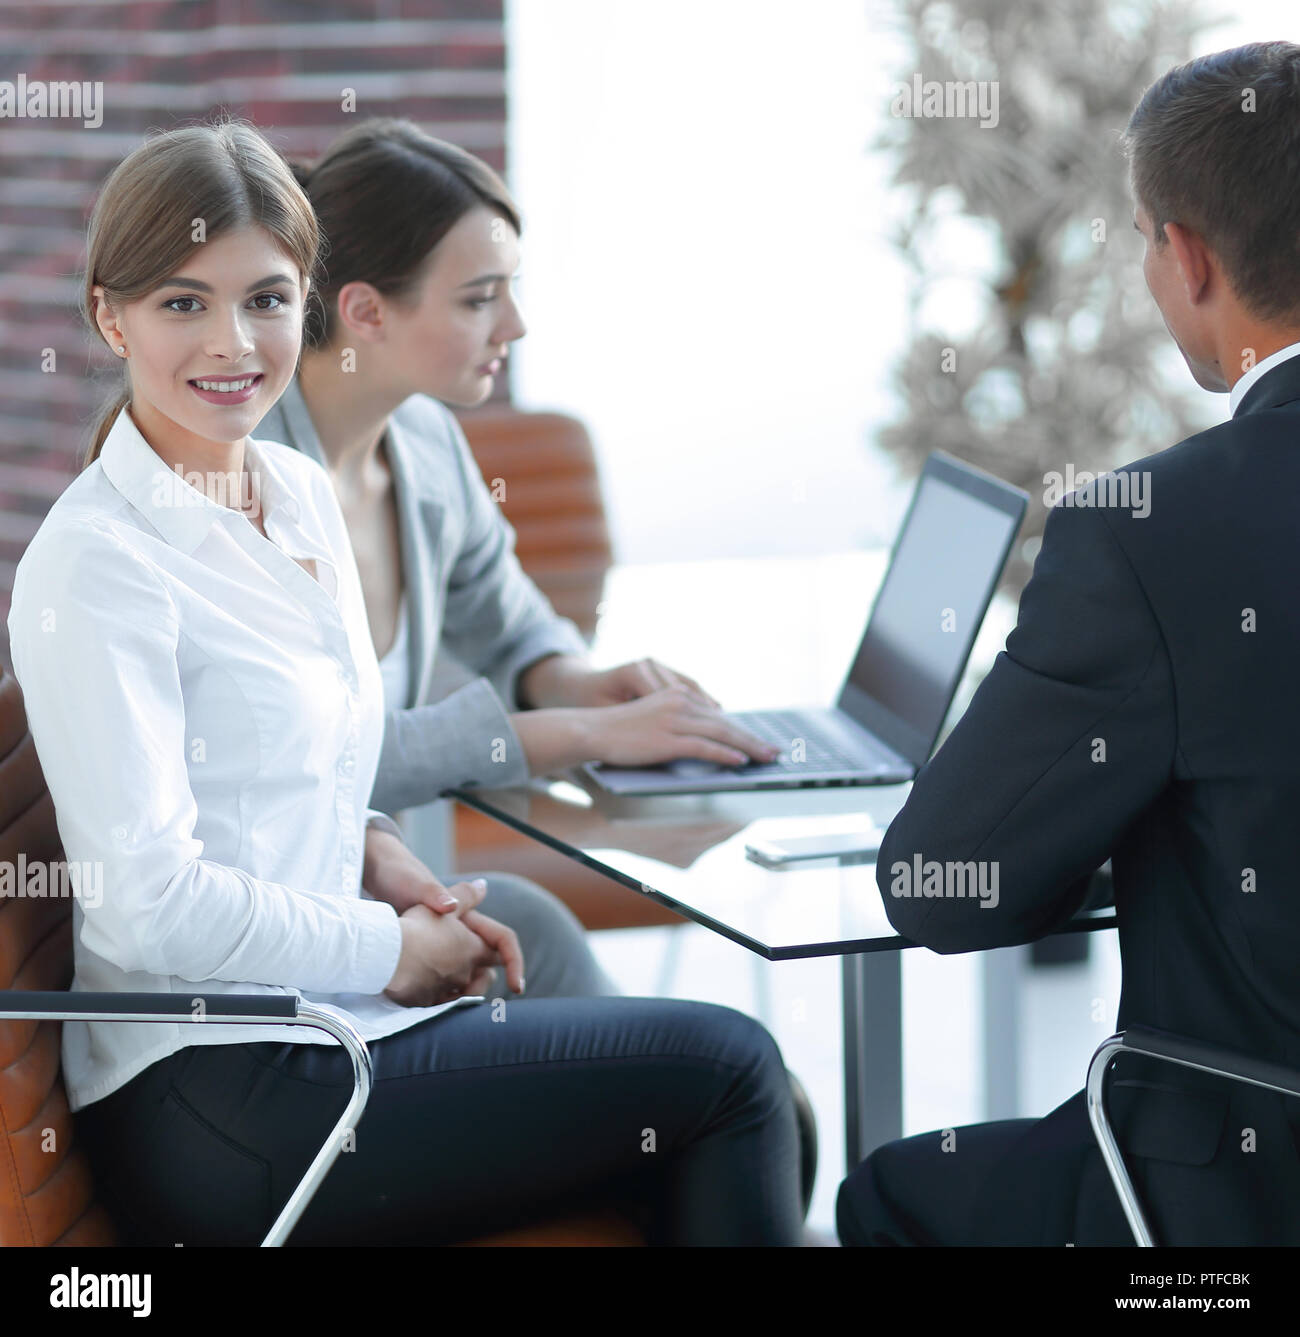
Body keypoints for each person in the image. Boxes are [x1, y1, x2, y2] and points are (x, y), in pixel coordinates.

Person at [7, 115, 804, 1246]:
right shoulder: (100, 563)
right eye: (184, 302)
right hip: (220, 1093)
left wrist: (372, 847)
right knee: (733, 1071)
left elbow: (294, 760)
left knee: (671, 1120)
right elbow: (150, 906)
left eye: (267, 298)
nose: (234, 341)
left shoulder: (290, 488)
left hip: (324, 1026)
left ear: (313, 302)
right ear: (109, 314)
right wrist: (391, 946)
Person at [256, 117, 817, 1203]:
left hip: (416, 910)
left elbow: (513, 625)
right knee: (727, 1100)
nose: (514, 321)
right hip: (319, 947)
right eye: (478, 298)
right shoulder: (248, 479)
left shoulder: (422, 441)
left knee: (580, 964)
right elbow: (312, 760)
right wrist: (574, 736)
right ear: (366, 310)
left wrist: (575, 681)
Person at [837, 40, 1300, 1247]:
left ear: (1186, 256)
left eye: (1146, 239)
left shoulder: (1157, 530)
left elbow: (944, 885)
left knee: (886, 1195)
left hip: (1244, 1189)